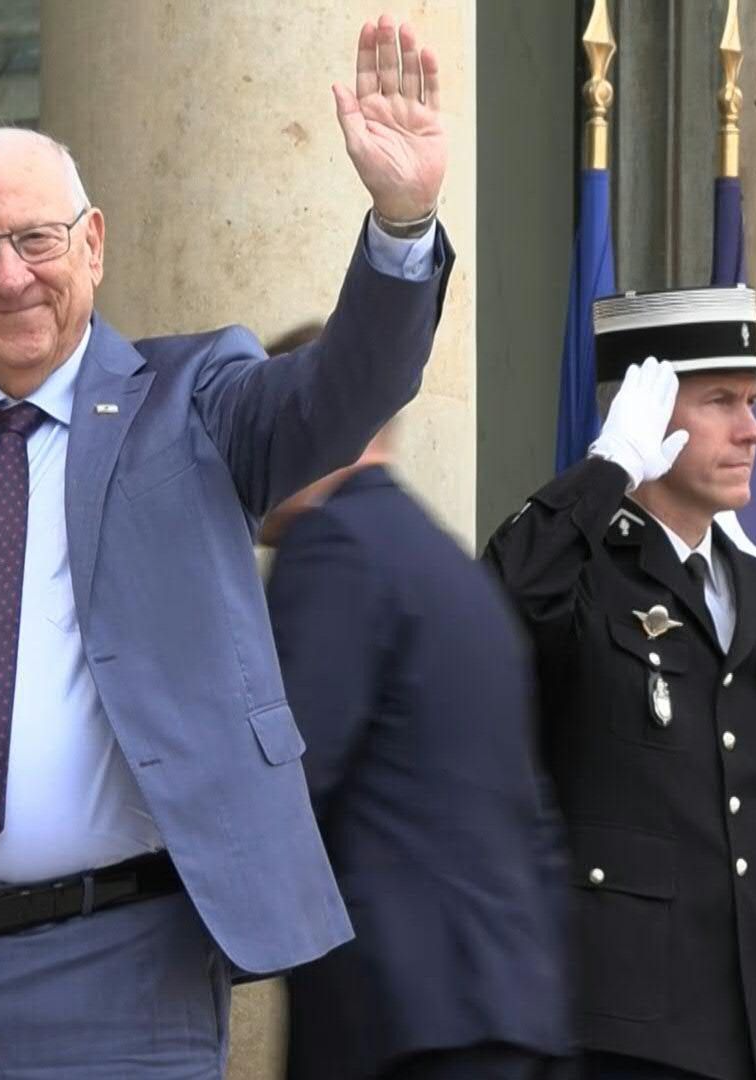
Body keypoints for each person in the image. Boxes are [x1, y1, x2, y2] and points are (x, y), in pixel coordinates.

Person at [0, 13, 455, 1077]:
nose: (10, 275)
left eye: (38, 240)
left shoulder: (192, 403)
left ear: (94, 244)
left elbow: (347, 390)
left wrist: (402, 222)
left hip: (115, 969)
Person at [484, 286, 756, 1080]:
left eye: (751, 401)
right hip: (625, 1028)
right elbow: (499, 599)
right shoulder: (582, 573)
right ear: (644, 413)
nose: (754, 429)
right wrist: (606, 470)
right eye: (720, 401)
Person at [263, 425, 572, 1080]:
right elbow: (535, 816)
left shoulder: (334, 543)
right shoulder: (457, 571)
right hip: (513, 1008)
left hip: (397, 1015)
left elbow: (288, 778)